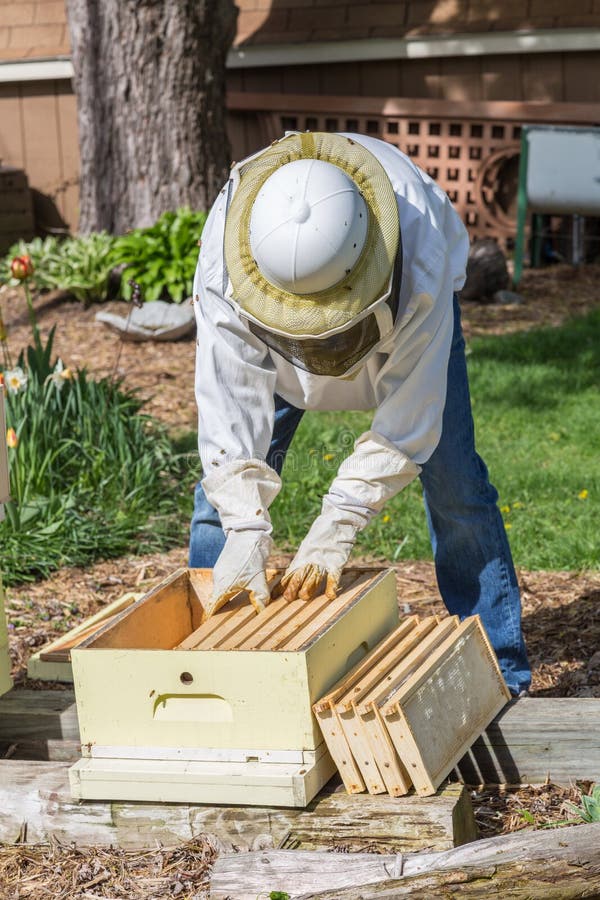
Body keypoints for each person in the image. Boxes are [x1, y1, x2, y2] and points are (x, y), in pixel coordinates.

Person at [188, 131, 531, 697]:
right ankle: (216, 674)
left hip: (404, 342)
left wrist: (339, 524)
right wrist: (246, 525)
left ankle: (501, 674)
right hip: (274, 366)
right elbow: (228, 416)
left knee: (456, 485)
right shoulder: (224, 263)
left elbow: (408, 424)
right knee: (219, 504)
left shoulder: (421, 254)